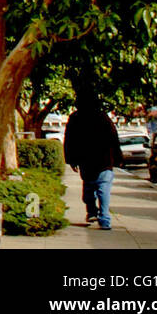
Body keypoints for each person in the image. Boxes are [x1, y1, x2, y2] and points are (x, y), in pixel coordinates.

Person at [62, 98, 123, 229]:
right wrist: (118, 158)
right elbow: (114, 138)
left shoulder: (75, 118)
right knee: (103, 190)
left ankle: (92, 211)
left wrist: (71, 159)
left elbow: (69, 140)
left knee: (89, 188)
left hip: (86, 161)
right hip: (104, 161)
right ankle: (104, 219)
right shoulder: (104, 118)